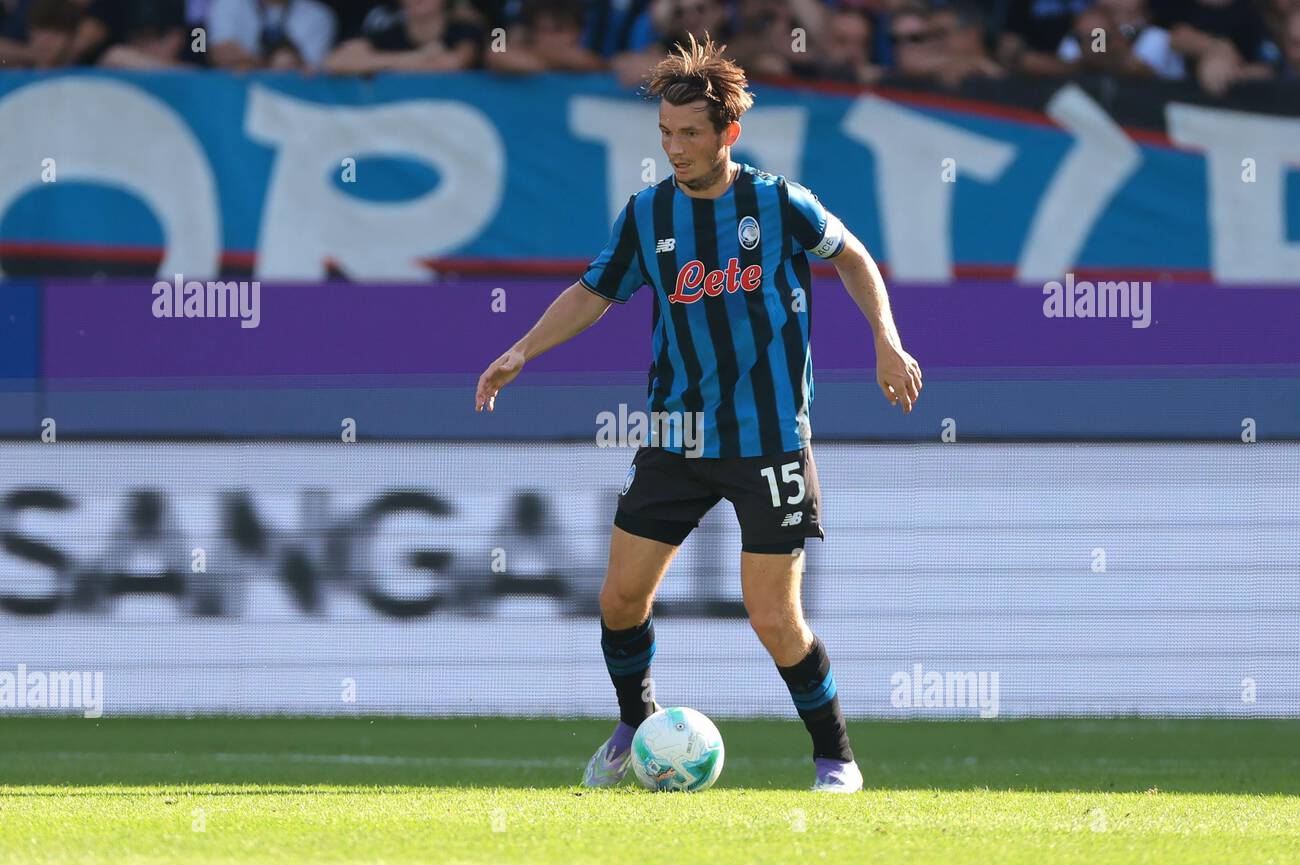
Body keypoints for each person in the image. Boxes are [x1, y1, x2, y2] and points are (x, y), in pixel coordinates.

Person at [473, 34, 923, 794]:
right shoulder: (647, 214)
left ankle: (836, 759)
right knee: (620, 598)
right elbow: (594, 291)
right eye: (665, 136)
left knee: (773, 618)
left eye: (689, 135)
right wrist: (523, 349)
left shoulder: (776, 201)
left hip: (770, 439)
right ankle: (632, 726)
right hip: (676, 436)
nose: (674, 150)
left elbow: (851, 255)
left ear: (727, 135)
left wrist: (886, 339)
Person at [324, 0, 483, 73]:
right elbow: (335, 62)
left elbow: (453, 63)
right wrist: (415, 57)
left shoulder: (466, 30)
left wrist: (378, 62)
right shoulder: (389, 33)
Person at [207, 0, 337, 69]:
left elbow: (312, 71)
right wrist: (270, 63)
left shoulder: (318, 16)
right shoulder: (228, 3)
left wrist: (249, 63)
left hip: (291, 102)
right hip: (233, 95)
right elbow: (220, 54)